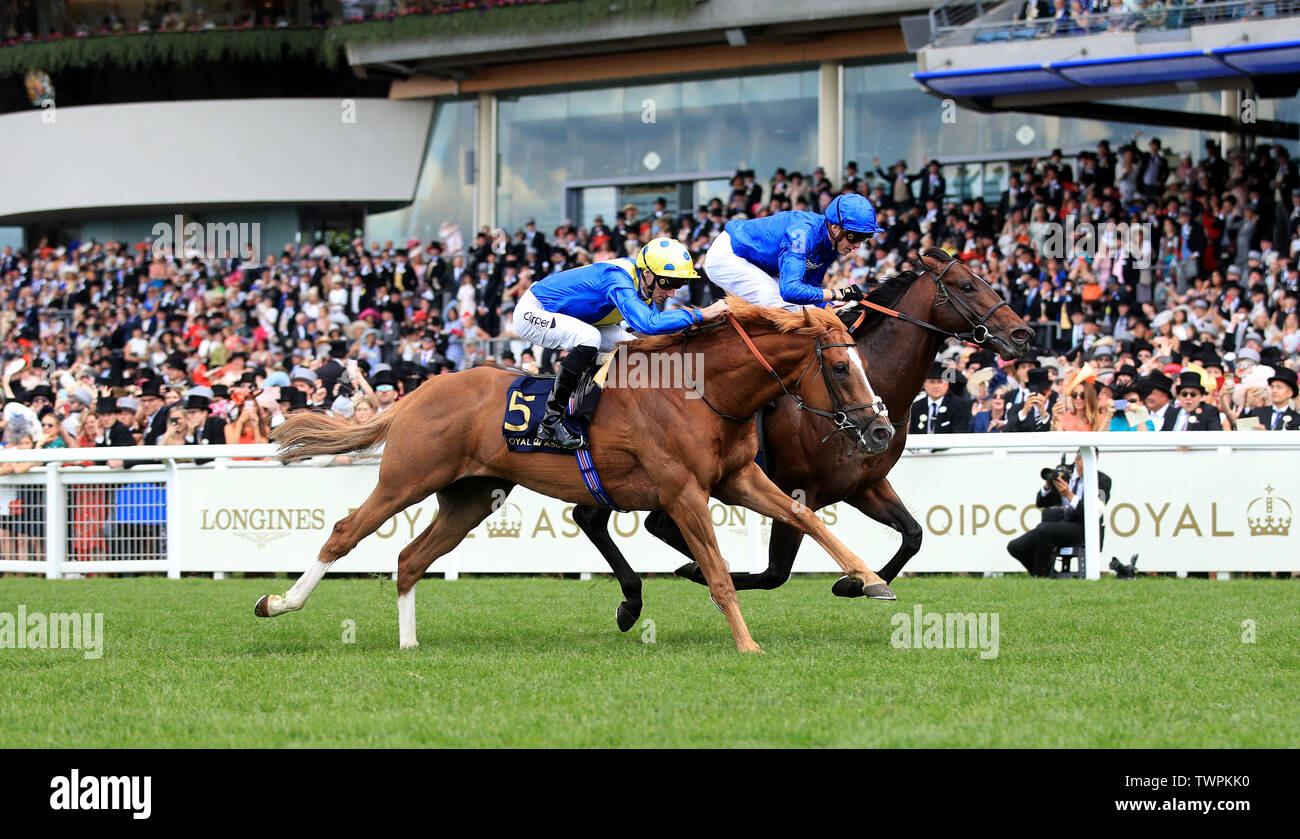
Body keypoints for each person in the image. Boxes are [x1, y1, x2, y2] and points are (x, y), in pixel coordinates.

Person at [513, 237, 728, 450]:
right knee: (590, 338)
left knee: (634, 348)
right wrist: (702, 314)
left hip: (577, 319)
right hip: (534, 311)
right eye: (667, 283)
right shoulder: (618, 278)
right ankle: (550, 423)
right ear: (647, 274)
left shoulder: (644, 284)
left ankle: (594, 408)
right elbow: (648, 324)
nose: (672, 293)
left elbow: (649, 330)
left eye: (679, 284)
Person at [702, 193, 882, 311]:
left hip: (757, 263)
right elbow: (791, 291)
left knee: (806, 308)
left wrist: (839, 306)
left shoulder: (833, 244)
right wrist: (838, 293)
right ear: (835, 228)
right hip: (728, 255)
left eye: (864, 238)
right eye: (854, 237)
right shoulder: (802, 235)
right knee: (779, 301)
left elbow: (810, 291)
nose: (857, 245)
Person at [1007, 451, 1112, 577]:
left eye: (1093, 461)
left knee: (1044, 529)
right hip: (1059, 524)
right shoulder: (1065, 473)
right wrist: (1048, 486)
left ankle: (1042, 575)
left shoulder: (1102, 480)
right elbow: (1041, 503)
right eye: (1087, 461)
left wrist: (1069, 495)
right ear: (1076, 460)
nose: (1091, 466)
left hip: (1085, 528)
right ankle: (1044, 574)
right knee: (1015, 547)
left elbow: (1094, 513)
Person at [909, 361, 972, 434]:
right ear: (925, 385)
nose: (936, 386)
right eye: (932, 382)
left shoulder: (959, 406)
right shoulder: (916, 406)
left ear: (947, 385)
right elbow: (913, 434)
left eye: (940, 382)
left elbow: (959, 434)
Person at [1241, 366, 1299, 430]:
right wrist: (1248, 405)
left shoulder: (1296, 418)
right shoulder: (1258, 412)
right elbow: (1243, 427)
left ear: (1289, 393)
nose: (1274, 391)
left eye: (1279, 387)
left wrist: (1265, 434)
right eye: (1272, 387)